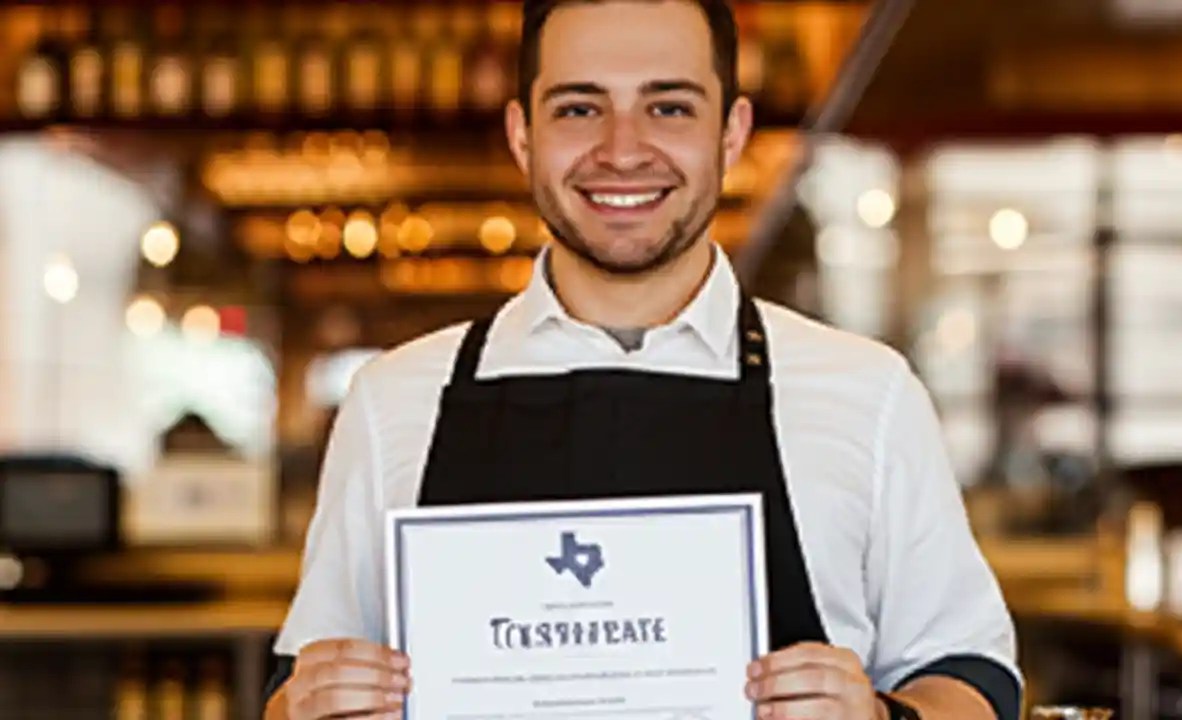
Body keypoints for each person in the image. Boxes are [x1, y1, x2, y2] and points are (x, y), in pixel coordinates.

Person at [262, 1, 1022, 719]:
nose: (622, 150)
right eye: (578, 108)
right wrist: (312, 701)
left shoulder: (868, 392)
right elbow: (293, 687)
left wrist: (888, 715)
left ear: (731, 132)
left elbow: (972, 674)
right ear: (523, 134)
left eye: (669, 107)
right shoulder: (393, 400)